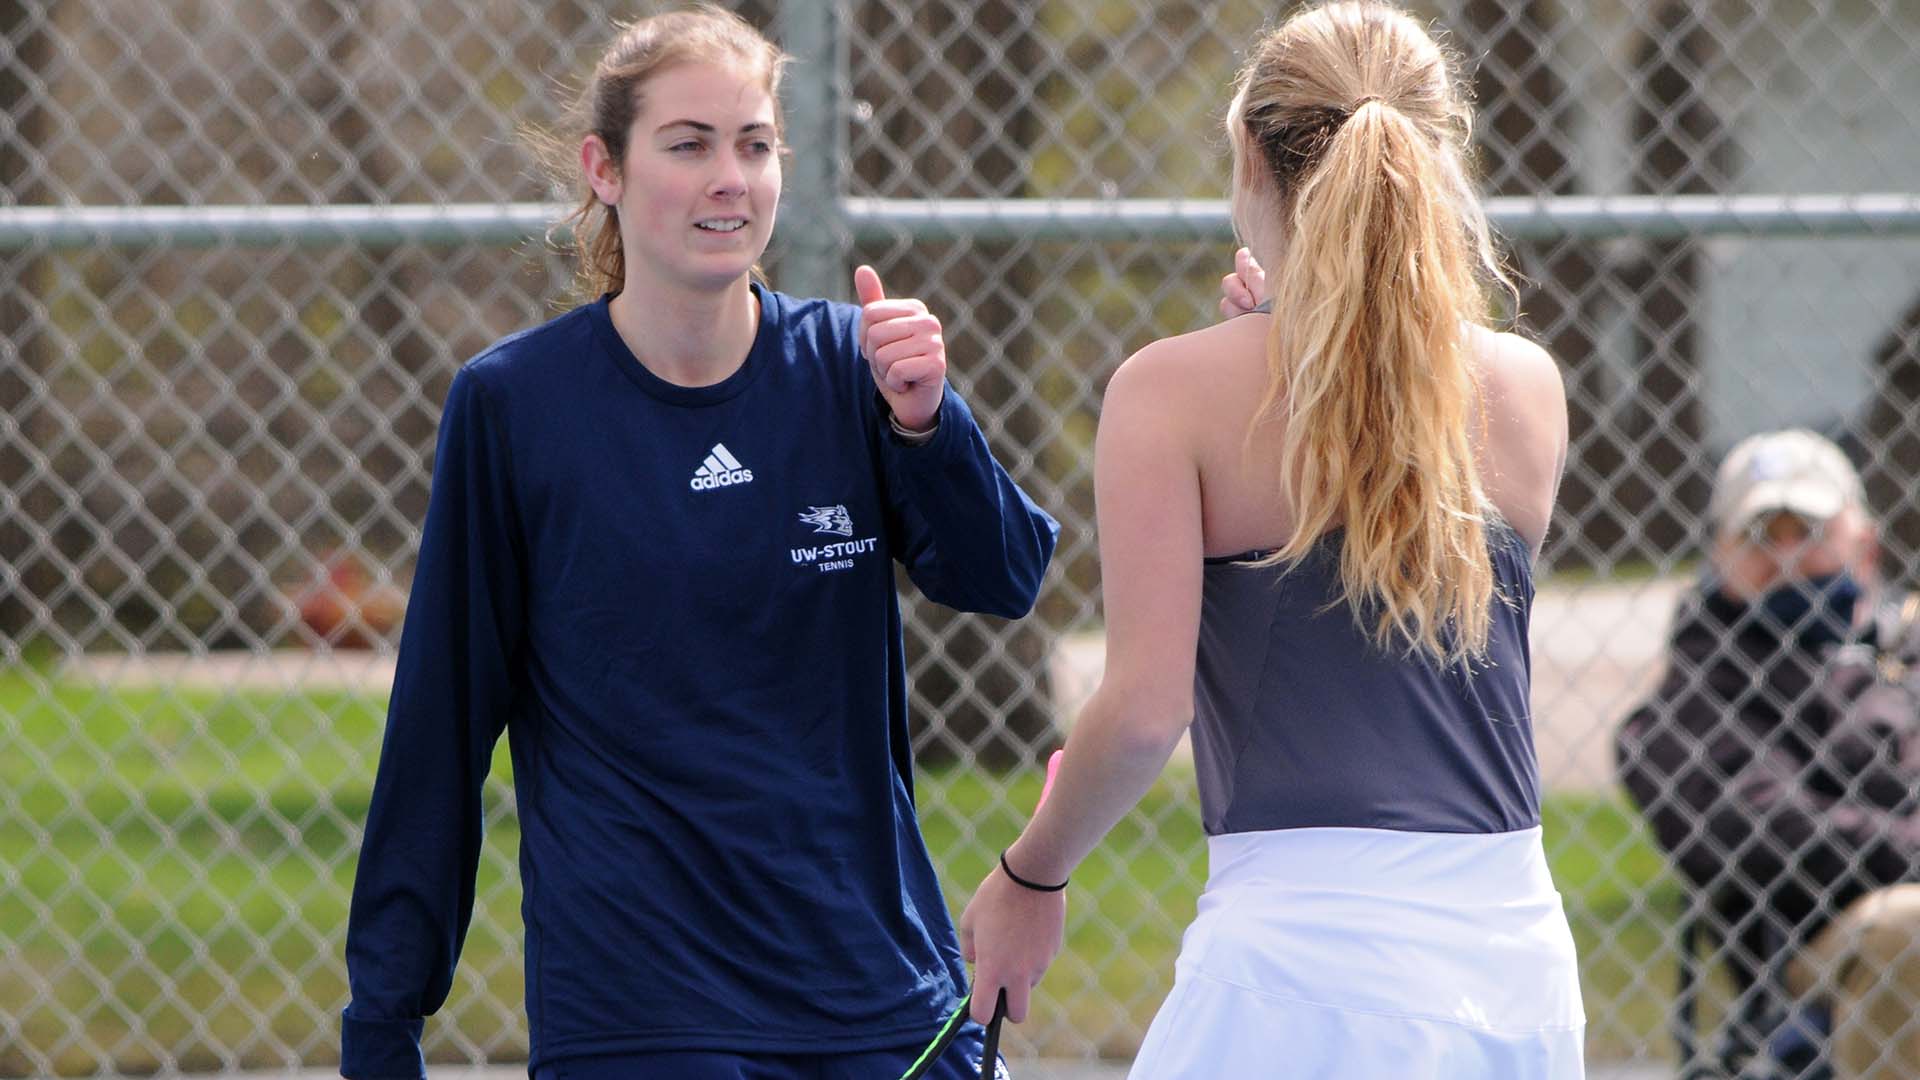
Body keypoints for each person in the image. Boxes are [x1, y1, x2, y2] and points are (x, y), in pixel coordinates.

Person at [338, 7, 1057, 1079]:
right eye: (688, 145)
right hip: (643, 1017)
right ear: (606, 169)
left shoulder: (850, 369)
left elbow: (1004, 577)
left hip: (875, 996)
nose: (730, 179)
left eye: (754, 145)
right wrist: (384, 1023)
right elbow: (439, 733)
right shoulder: (516, 405)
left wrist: (926, 424)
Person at [957, 2, 1583, 1075]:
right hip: (1515, 971)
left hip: (1298, 964)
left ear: (1252, 157)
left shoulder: (1169, 393)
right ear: (1443, 154)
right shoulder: (1525, 385)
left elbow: (1143, 714)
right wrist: (1285, 330)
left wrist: (1031, 875)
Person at [1616, 428, 1920, 1080]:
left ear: (1864, 543)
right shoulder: (1700, 685)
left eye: (1809, 532)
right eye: (1760, 536)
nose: (1787, 557)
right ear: (1719, 555)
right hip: (1820, 954)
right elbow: (1760, 824)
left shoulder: (1905, 642)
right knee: (1910, 924)